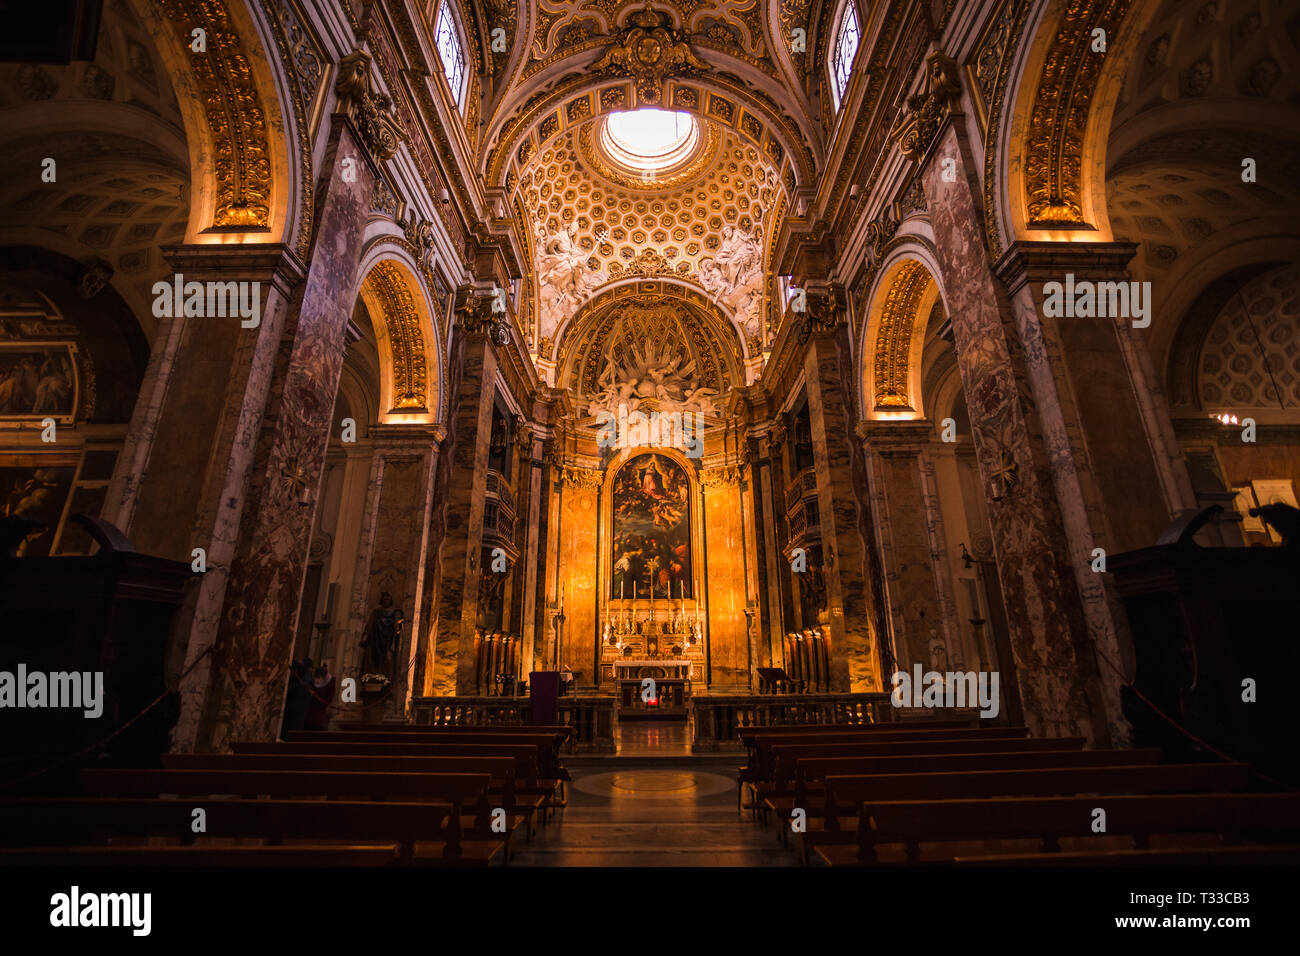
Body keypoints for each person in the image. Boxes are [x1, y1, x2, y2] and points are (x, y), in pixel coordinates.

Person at [305, 662, 335, 731]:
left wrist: (315, 695)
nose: (317, 680)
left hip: (319, 717)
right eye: (316, 677)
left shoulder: (330, 685)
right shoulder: (314, 683)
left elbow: (326, 701)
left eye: (319, 677)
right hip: (310, 715)